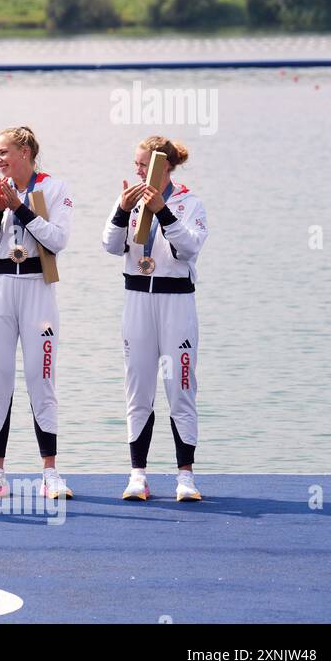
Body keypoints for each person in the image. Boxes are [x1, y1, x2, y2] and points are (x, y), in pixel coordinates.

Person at [0, 127, 74, 501]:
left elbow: (57, 240)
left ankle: (50, 473)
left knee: (40, 377)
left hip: (37, 288)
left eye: (4, 152)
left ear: (25, 152)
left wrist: (21, 209)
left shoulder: (54, 189)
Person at [101, 136, 207, 502]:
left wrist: (162, 210)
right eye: (136, 162)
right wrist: (120, 212)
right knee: (138, 387)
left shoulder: (189, 202)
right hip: (136, 300)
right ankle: (138, 475)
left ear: (162, 166)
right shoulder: (128, 199)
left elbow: (189, 248)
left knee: (180, 387)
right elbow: (111, 246)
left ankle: (185, 477)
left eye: (143, 164)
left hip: (176, 302)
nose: (137, 170)